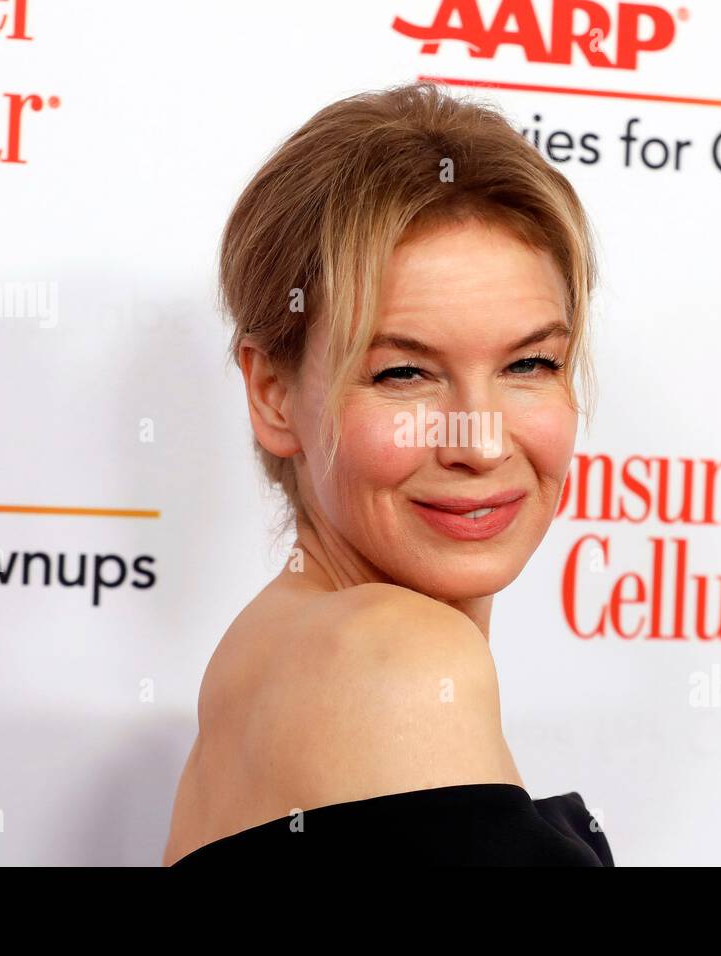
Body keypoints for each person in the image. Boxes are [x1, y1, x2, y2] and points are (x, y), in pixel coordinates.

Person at [162, 80, 610, 866]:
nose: (479, 442)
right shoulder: (393, 664)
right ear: (273, 395)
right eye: (404, 374)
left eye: (531, 363)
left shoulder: (269, 660)